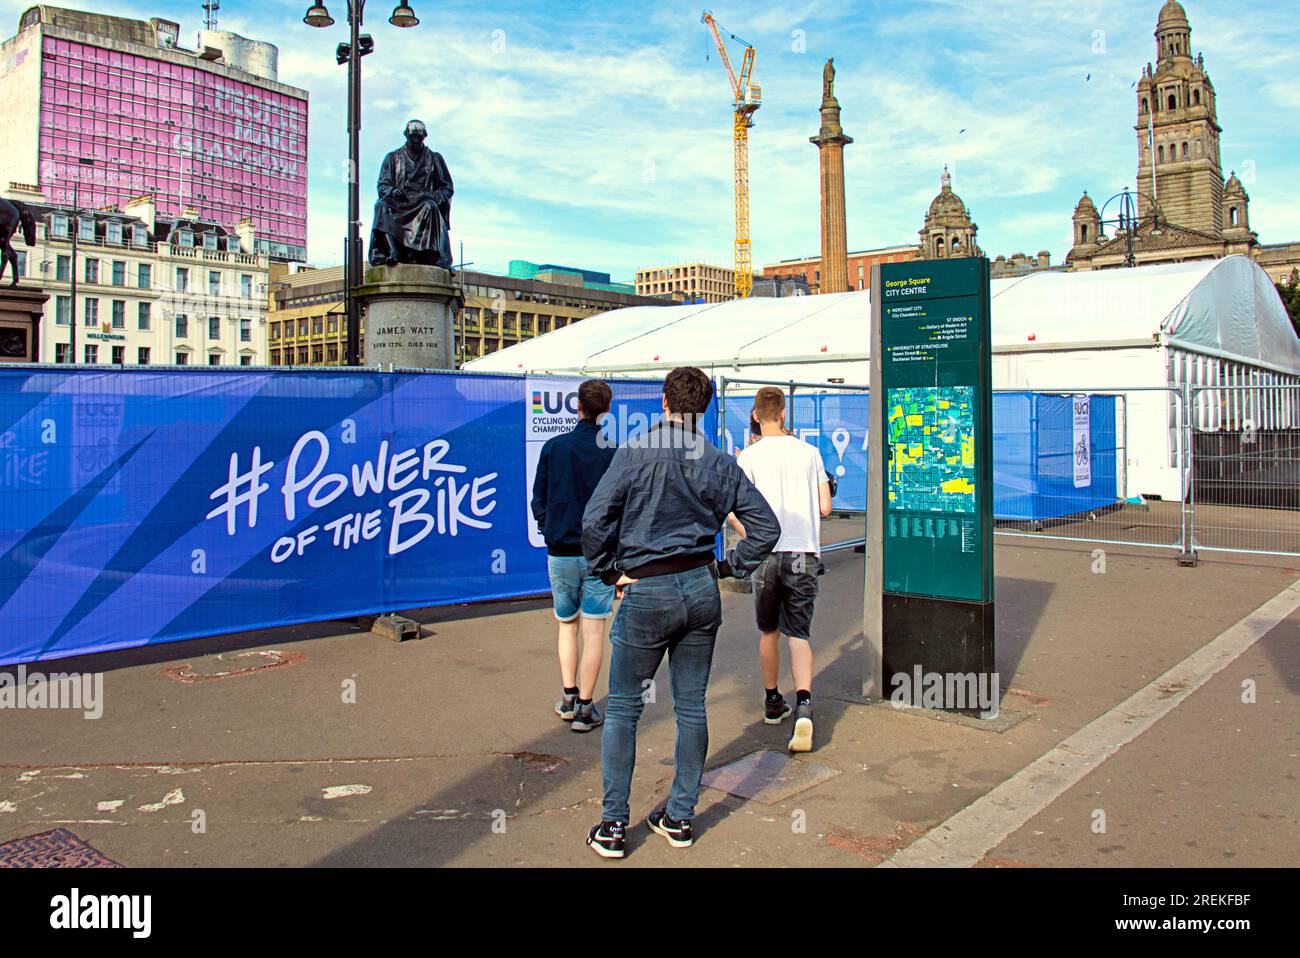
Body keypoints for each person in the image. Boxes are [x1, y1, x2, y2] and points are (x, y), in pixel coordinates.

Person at [581, 367, 780, 859]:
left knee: (624, 708)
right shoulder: (716, 460)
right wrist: (727, 567)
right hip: (699, 585)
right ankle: (681, 815)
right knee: (692, 707)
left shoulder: (636, 450)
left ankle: (612, 825)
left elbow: (593, 519)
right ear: (706, 408)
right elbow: (765, 528)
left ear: (664, 402)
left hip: (647, 588)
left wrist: (609, 572)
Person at [734, 387, 833, 753]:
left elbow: (734, 508)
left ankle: (773, 700)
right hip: (803, 552)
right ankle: (804, 706)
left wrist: (751, 536)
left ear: (757, 416)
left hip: (766, 555)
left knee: (768, 632)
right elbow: (824, 507)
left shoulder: (749, 458)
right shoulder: (809, 453)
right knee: (799, 634)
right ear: (784, 413)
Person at [531, 380, 617, 733]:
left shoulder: (553, 448)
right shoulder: (612, 452)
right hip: (599, 554)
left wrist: (549, 527)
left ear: (577, 406)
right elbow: (620, 505)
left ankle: (568, 698)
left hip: (561, 549)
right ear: (606, 411)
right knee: (595, 630)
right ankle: (585, 706)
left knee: (567, 625)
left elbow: (539, 497)